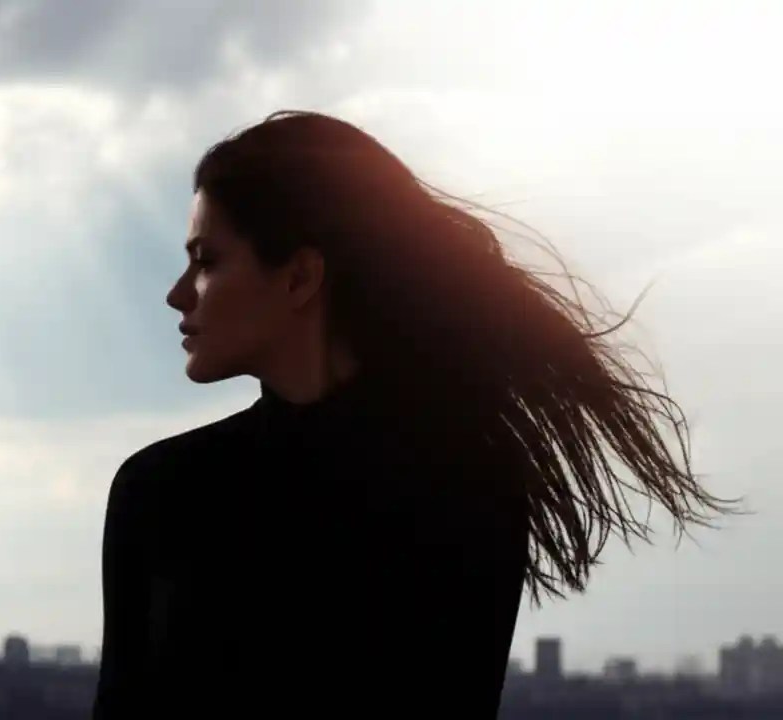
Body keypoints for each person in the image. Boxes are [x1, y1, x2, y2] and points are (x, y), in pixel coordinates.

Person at [90, 110, 746, 718]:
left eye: (206, 262)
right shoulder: (161, 491)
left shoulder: (464, 491)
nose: (178, 295)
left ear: (299, 277)